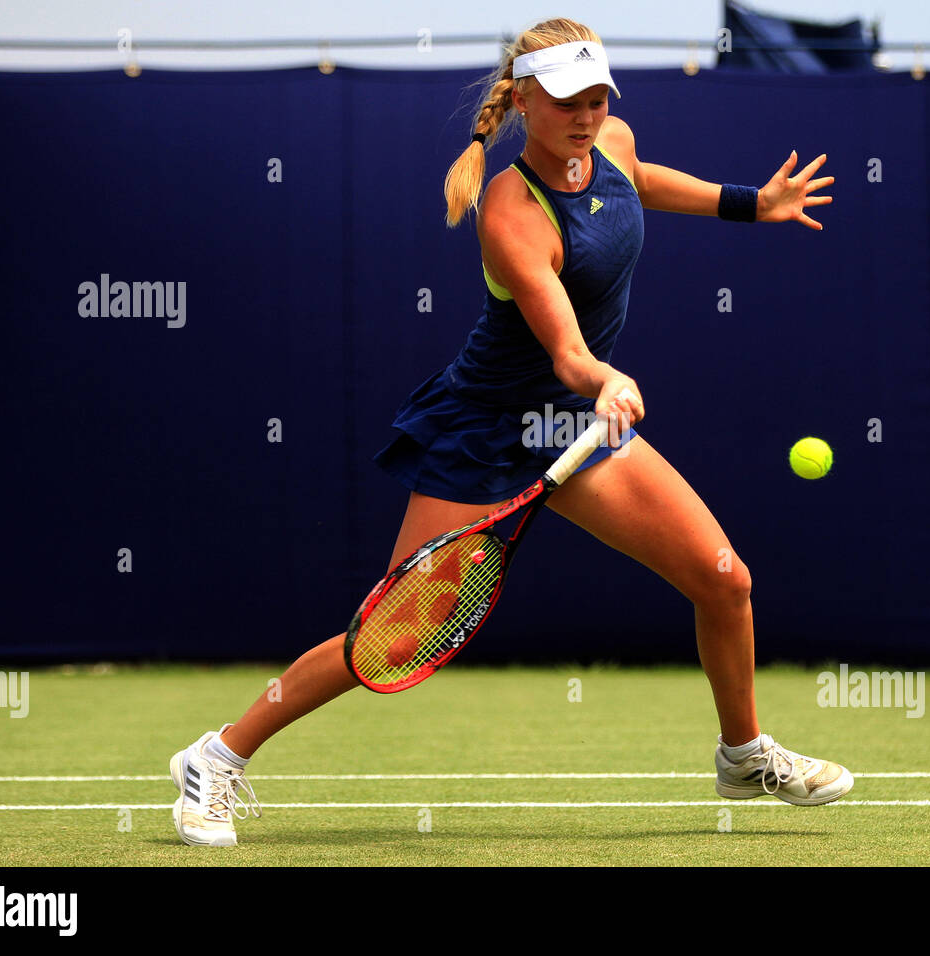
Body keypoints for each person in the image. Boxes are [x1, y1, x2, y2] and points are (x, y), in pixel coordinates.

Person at [169, 17, 848, 847]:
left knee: (724, 580)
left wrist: (749, 203)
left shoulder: (612, 143)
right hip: (488, 429)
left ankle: (742, 756)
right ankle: (217, 756)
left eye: (597, 97)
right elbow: (568, 351)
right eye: (567, 101)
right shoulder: (511, 210)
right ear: (523, 99)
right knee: (394, 637)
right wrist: (607, 378)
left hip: (573, 426)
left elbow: (638, 182)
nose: (586, 116)